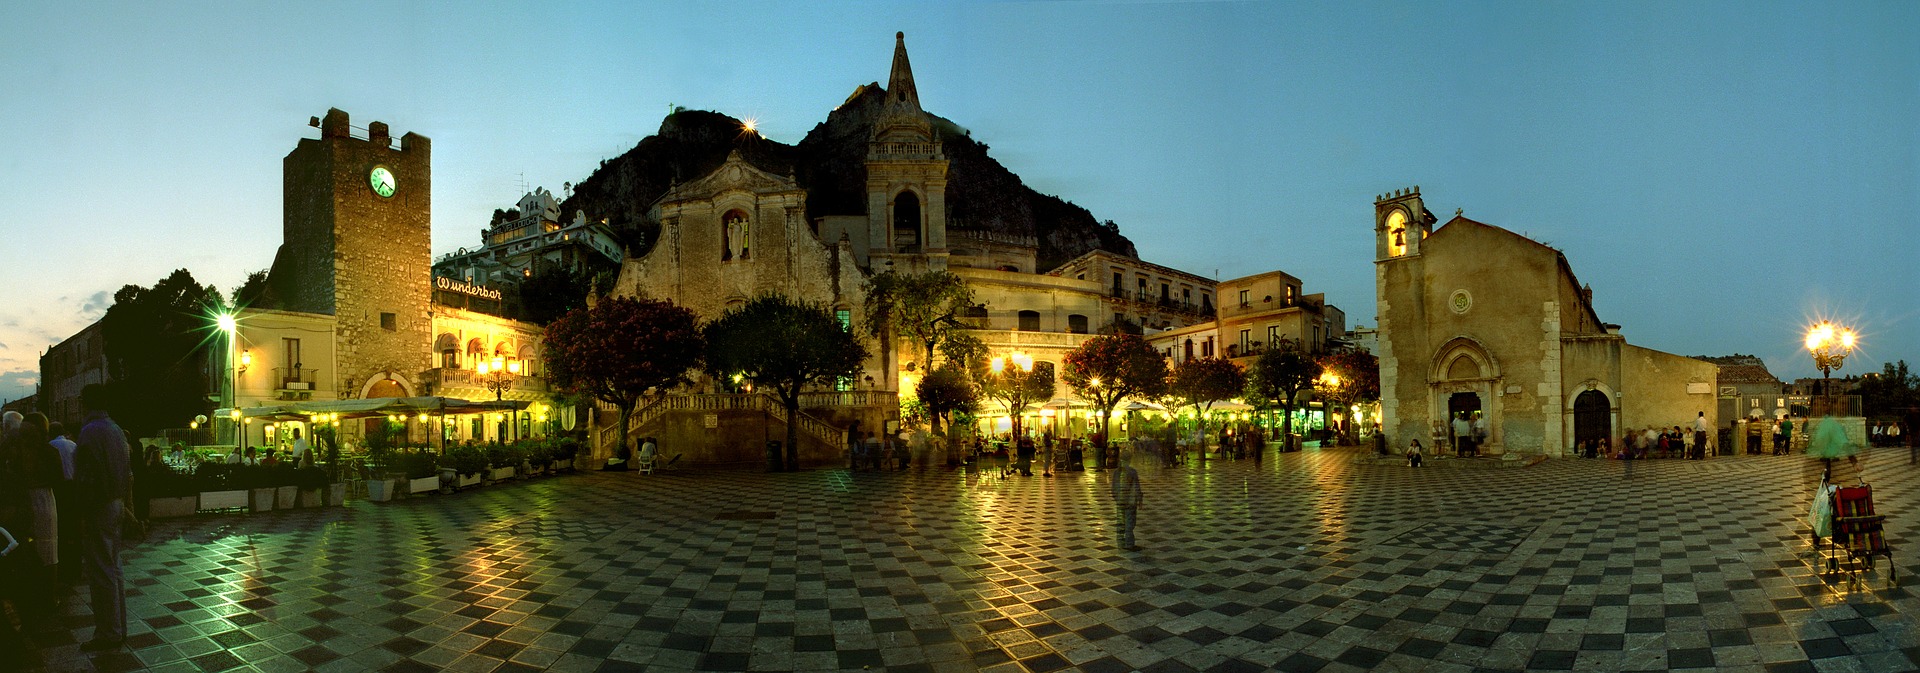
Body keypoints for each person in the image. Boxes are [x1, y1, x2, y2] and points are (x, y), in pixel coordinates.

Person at [73, 384, 132, 650]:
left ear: (86, 402)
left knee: (101, 570)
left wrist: (83, 512)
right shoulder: (115, 429)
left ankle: (108, 632)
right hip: (116, 503)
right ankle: (118, 628)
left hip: (99, 505)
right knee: (114, 567)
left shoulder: (89, 432)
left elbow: (87, 477)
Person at [1110, 451, 1142, 550]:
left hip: (1120, 500)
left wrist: (1116, 497)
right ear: (1129, 460)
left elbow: (1113, 487)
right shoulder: (1132, 472)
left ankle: (1120, 543)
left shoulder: (1116, 472)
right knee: (1129, 523)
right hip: (1130, 502)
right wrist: (1139, 499)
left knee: (1121, 522)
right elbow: (1136, 487)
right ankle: (1129, 543)